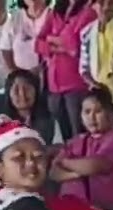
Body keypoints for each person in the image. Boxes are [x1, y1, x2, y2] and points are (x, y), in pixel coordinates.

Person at [51, 86, 113, 210]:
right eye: (87, 112)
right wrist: (78, 174)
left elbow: (94, 165)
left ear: (110, 112)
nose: (92, 117)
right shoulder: (77, 140)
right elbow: (54, 172)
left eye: (98, 111)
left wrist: (65, 162)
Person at [37, 0, 97, 140]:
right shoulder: (55, 11)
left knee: (78, 132)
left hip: (76, 84)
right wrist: (59, 46)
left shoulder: (88, 12)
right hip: (53, 84)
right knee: (61, 134)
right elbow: (38, 43)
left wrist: (51, 39)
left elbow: (75, 46)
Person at [0, 69, 58, 143]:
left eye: (27, 89)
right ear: (9, 95)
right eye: (16, 90)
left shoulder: (49, 118)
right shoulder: (0, 121)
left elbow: (56, 145)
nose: (22, 94)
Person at [1, 0, 52, 74]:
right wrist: (16, 73)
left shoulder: (55, 17)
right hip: (21, 76)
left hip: (50, 76)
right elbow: (5, 48)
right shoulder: (14, 19)